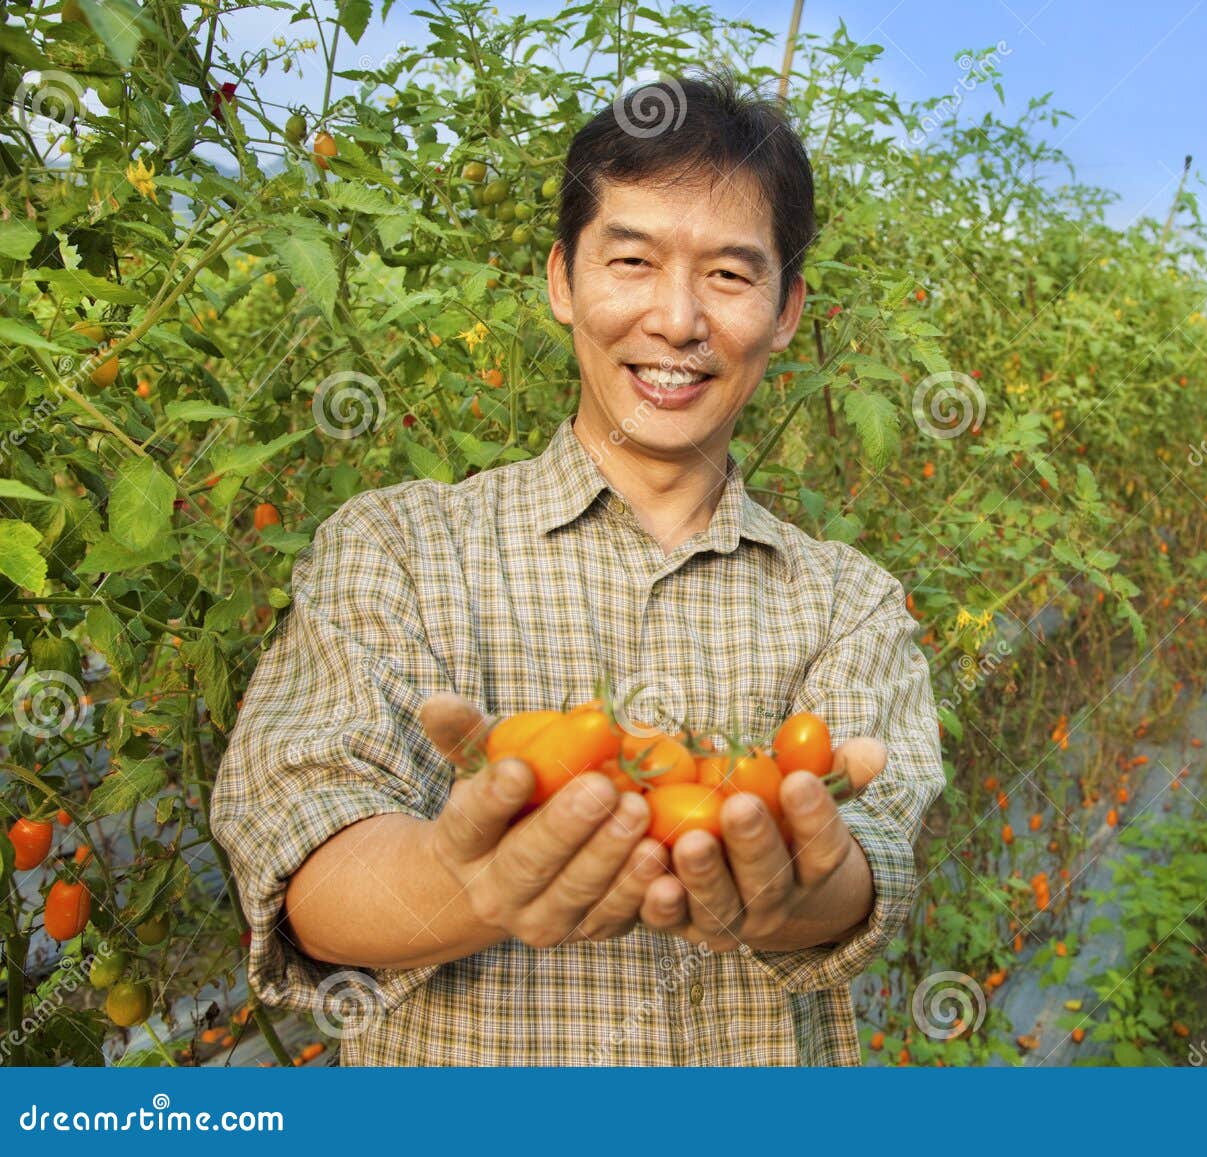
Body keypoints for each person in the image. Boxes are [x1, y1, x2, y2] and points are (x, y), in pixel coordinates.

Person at [211, 71, 944, 1065]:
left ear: (785, 310)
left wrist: (796, 883)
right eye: (632, 260)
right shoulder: (396, 548)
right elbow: (303, 849)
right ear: (562, 279)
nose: (677, 320)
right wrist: (464, 875)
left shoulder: (847, 601)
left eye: (730, 275)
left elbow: (877, 859)